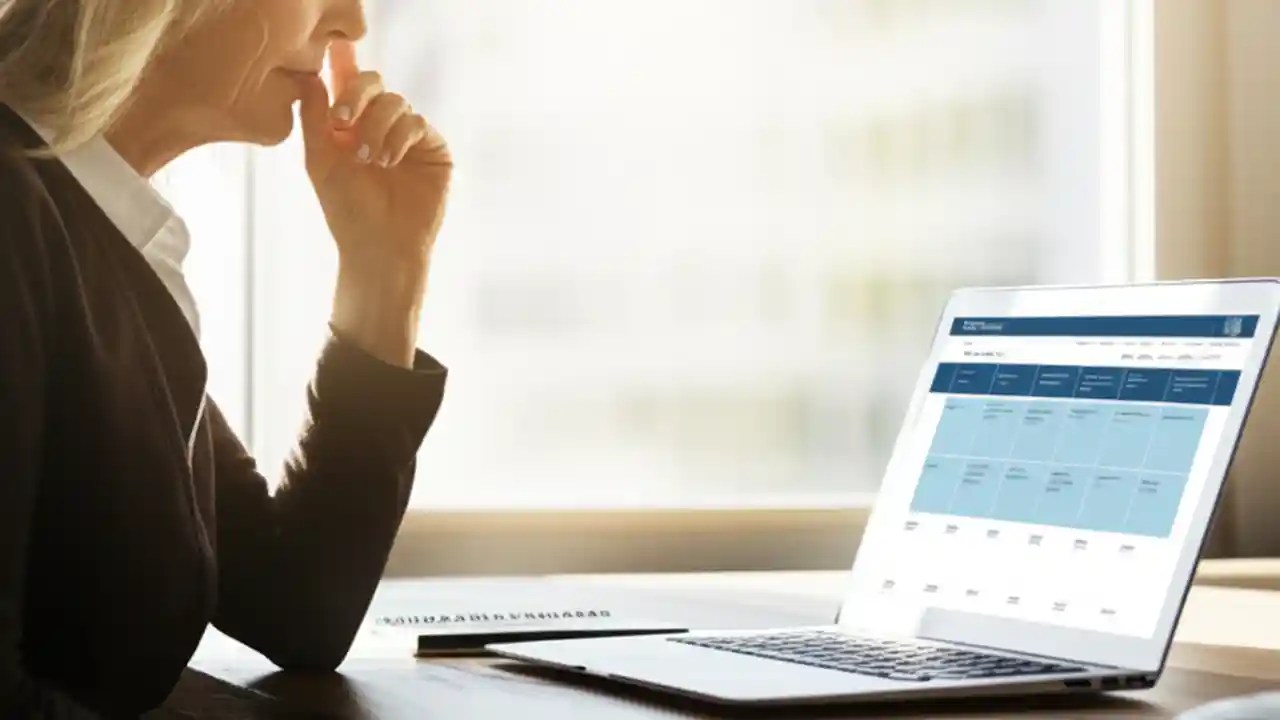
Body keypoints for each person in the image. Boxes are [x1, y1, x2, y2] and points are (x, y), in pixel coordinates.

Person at [0, 0, 452, 716]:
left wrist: (385, 269)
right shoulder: (14, 212)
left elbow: (298, 602)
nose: (351, 23)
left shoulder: (90, 227)